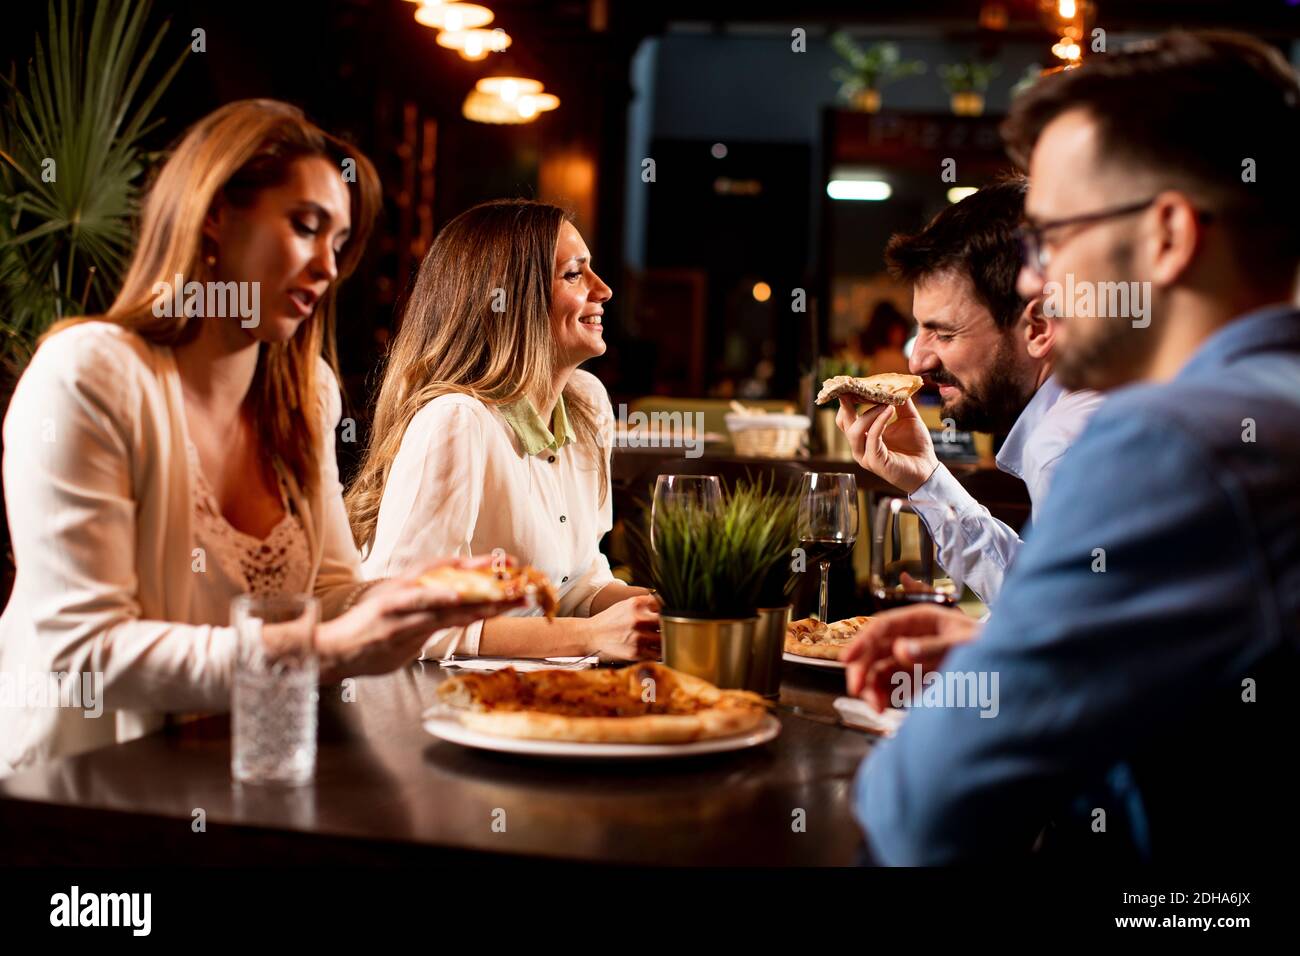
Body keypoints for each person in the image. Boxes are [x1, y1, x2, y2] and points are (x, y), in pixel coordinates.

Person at [850, 31, 1300, 863]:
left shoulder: (1168, 441)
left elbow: (922, 809)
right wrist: (1011, 649)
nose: (1031, 282)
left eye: (1051, 239)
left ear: (1165, 236)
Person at [0, 101, 517, 775]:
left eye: (339, 245)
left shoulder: (306, 396)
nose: (328, 268)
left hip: (241, 768)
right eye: (306, 227)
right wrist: (326, 650)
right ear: (214, 213)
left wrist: (417, 598)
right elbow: (86, 654)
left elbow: (331, 592)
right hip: (75, 790)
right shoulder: (91, 373)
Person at [347, 200, 660, 661]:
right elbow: (404, 622)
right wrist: (592, 636)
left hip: (543, 703)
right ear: (513, 298)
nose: (605, 290)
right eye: (574, 275)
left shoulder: (587, 405)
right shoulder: (457, 422)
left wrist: (673, 611)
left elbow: (578, 584)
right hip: (441, 713)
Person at [837, 178, 1103, 607]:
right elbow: (1053, 604)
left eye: (942, 333)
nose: (917, 362)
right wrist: (926, 478)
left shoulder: (1068, 445)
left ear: (1039, 327)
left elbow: (1083, 659)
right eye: (918, 329)